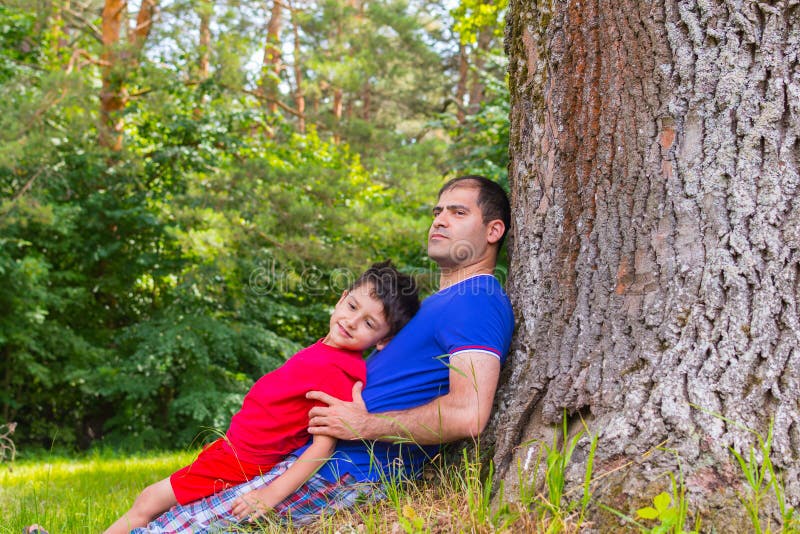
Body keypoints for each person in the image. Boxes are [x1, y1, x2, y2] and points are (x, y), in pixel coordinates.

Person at [135, 174, 514, 531]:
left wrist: (366, 426)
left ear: (493, 230)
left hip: (349, 470)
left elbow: (470, 414)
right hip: (317, 460)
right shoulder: (440, 303)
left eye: (458, 212)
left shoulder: (477, 301)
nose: (440, 221)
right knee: (167, 512)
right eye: (438, 211)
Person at [104, 261, 419, 533]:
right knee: (154, 506)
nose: (351, 322)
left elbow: (323, 446)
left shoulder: (341, 372)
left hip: (244, 463)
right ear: (340, 299)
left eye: (368, 323)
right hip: (232, 450)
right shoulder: (326, 352)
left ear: (383, 340)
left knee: (149, 501)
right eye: (352, 307)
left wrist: (269, 495)